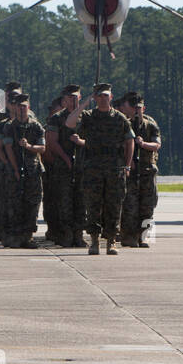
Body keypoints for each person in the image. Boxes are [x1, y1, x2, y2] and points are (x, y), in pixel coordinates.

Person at [66, 83, 135, 256]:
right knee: (93, 205)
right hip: (93, 168)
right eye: (100, 96)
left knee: (114, 205)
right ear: (95, 98)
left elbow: (129, 142)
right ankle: (95, 241)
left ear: (111, 97)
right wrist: (85, 102)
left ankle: (111, 241)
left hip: (114, 167)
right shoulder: (88, 117)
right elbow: (70, 122)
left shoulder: (120, 118)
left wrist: (127, 164)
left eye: (106, 96)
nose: (103, 99)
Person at [0, 94, 44, 249]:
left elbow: (42, 148)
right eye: (19, 106)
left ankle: (28, 236)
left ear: (28, 107)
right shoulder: (9, 127)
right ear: (15, 108)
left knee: (32, 203)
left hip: (32, 170)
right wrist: (15, 168)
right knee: (14, 203)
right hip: (15, 170)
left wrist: (29, 147)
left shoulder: (36, 126)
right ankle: (15, 236)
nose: (22, 109)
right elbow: (8, 148)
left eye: (24, 106)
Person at [44, 85, 86, 248]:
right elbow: (52, 142)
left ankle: (79, 234)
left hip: (82, 166)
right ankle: (67, 234)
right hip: (63, 167)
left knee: (81, 202)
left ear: (80, 97)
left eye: (75, 97)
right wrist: (65, 158)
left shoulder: (86, 117)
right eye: (69, 98)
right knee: (64, 202)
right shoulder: (56, 118)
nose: (73, 100)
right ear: (64, 100)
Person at [121, 91, 161, 248]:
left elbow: (157, 145)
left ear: (144, 108)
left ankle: (145, 237)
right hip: (131, 172)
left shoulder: (150, 124)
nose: (137, 111)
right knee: (129, 206)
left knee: (147, 206)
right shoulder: (124, 123)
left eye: (140, 107)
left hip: (147, 171)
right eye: (134, 107)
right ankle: (129, 237)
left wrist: (143, 144)